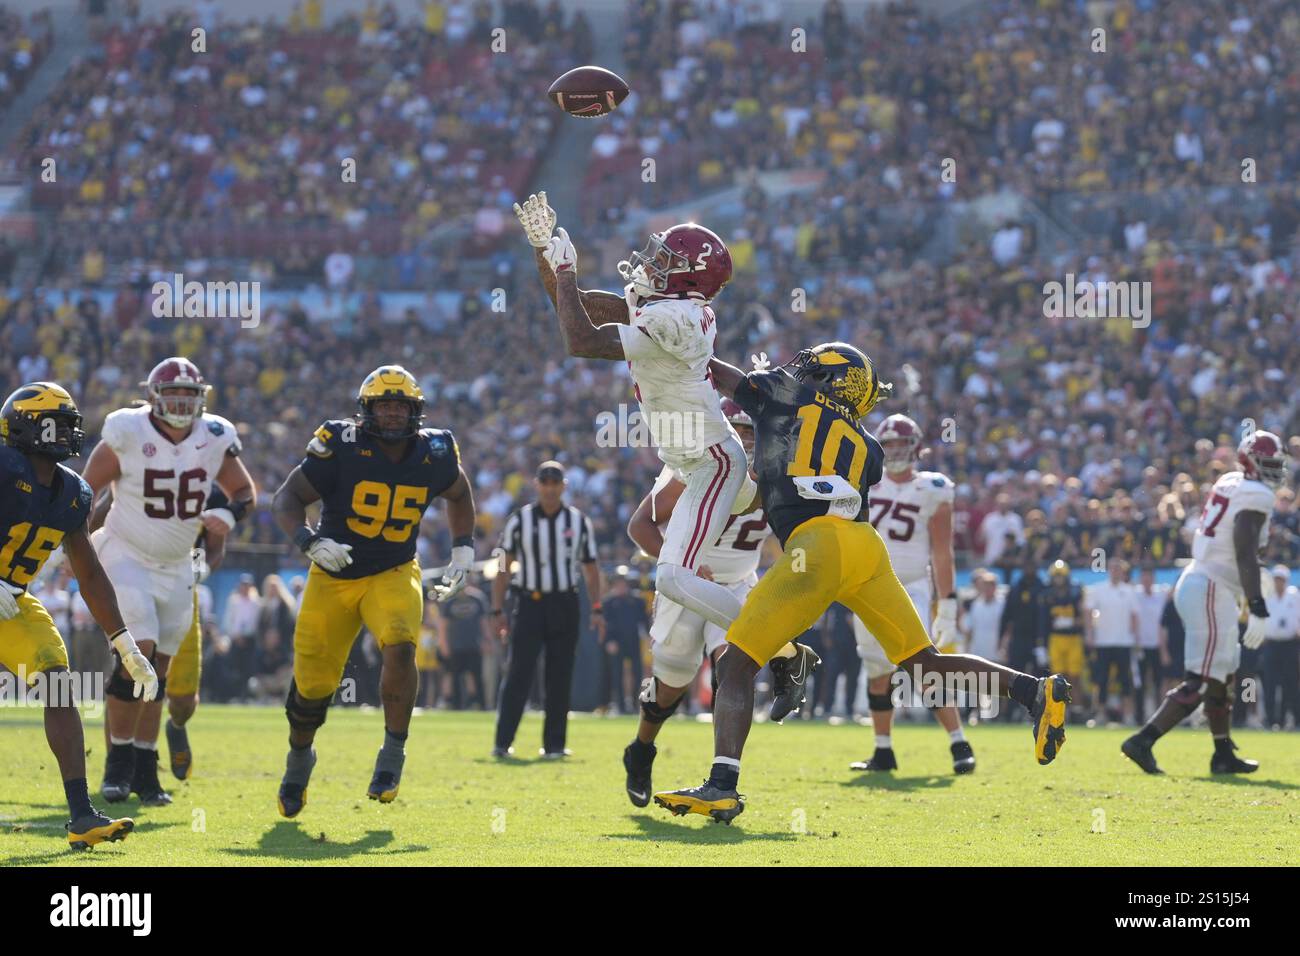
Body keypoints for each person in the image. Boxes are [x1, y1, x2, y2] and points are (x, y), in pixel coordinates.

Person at [653, 344, 1071, 822]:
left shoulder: (786, 395)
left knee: (737, 663)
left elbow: (722, 375)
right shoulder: (869, 445)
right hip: (866, 547)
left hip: (815, 546)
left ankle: (722, 785)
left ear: (833, 380)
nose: (801, 372)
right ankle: (1032, 690)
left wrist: (674, 345)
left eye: (813, 370)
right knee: (925, 663)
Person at [515, 194, 768, 646]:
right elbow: (579, 306)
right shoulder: (667, 304)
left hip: (710, 461)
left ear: (690, 279)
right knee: (750, 506)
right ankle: (787, 637)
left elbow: (581, 340)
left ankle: (779, 641)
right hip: (691, 457)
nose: (652, 263)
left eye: (666, 259)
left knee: (673, 579)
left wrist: (569, 271)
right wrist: (542, 248)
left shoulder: (679, 318)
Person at [271, 365, 476, 815]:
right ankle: (300, 758)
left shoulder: (435, 451)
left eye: (399, 405)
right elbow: (287, 498)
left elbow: (459, 494)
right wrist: (310, 541)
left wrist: (463, 549)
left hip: (394, 568)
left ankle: (391, 755)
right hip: (334, 574)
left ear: (414, 411)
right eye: (383, 405)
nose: (391, 414)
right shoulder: (340, 444)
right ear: (366, 410)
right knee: (312, 688)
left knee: (401, 645)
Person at [80, 357, 255, 805]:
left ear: (201, 399)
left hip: (177, 565)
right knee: (138, 654)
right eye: (172, 393)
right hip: (125, 552)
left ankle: (144, 767)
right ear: (153, 396)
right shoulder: (127, 429)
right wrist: (75, 548)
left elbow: (244, 492)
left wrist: (228, 514)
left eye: (189, 395)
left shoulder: (216, 435)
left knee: (158, 673)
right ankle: (116, 764)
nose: (180, 402)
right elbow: (86, 491)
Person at [0, 382, 158, 848]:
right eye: (57, 421)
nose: (68, 430)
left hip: (13, 600)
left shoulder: (73, 492)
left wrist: (124, 643)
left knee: (56, 682)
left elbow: (88, 572)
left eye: (69, 421)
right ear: (27, 426)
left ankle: (81, 815)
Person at [621, 399, 773, 805]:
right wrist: (685, 563)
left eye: (749, 430)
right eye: (736, 429)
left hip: (738, 584)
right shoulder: (697, 466)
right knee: (670, 686)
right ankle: (641, 749)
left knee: (734, 666)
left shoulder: (778, 475)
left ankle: (722, 777)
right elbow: (640, 525)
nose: (743, 438)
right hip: (686, 586)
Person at [1123, 430, 1288, 775]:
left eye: (1276, 463)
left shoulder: (1231, 481)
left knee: (1222, 676)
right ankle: (1143, 740)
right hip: (1211, 587)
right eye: (1266, 463)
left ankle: (1222, 752)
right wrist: (1256, 605)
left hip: (1208, 583)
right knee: (1199, 678)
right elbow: (1244, 552)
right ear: (1250, 463)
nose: (1273, 470)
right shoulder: (1256, 494)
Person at [849, 413, 974, 776]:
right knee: (876, 669)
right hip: (867, 585)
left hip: (912, 584)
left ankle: (959, 743)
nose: (896, 451)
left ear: (916, 447)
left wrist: (947, 603)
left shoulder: (933, 487)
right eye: (888, 444)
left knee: (923, 666)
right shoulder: (864, 483)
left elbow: (941, 550)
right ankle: (883, 750)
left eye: (902, 444)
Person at [491, 460, 602, 758]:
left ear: (564, 485)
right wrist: (497, 609)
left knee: (560, 675)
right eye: (545, 482)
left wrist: (597, 607)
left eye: (556, 483)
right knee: (518, 672)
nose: (550, 489)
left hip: (564, 602)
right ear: (537, 485)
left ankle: (554, 745)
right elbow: (502, 564)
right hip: (529, 602)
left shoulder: (578, 522)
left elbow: (591, 567)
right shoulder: (519, 521)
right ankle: (502, 743)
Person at [1084, 559, 1138, 723]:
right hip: (1103, 642)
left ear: (1123, 572)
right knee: (1101, 679)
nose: (1115, 572)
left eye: (1118, 569)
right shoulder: (1099, 589)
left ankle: (1128, 714)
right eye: (1113, 568)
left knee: (1125, 680)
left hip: (1123, 642)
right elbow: (1088, 611)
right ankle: (1100, 714)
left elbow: (1134, 616)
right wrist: (1090, 634)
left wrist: (1135, 638)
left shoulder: (1129, 591)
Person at [597, 573, 647, 716]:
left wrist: (649, 636)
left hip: (634, 641)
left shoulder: (637, 601)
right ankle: (620, 705)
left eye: (623, 583)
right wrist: (609, 641)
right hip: (616, 642)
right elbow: (605, 625)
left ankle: (635, 703)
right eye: (618, 584)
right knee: (617, 674)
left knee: (637, 673)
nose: (621, 587)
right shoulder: (608, 602)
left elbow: (644, 621)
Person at [438, 576, 490, 709]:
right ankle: (456, 704)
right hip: (455, 646)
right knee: (455, 677)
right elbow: (443, 625)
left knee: (476, 676)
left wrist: (487, 640)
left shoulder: (478, 599)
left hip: (473, 644)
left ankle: (479, 703)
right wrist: (444, 645)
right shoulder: (449, 601)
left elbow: (483, 622)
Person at [1261, 564, 1299, 729]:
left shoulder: (1294, 596)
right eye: (1276, 580)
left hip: (1290, 644)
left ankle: (1289, 720)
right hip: (1271, 644)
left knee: (1289, 684)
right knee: (1269, 684)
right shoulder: (1267, 596)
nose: (1278, 583)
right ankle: (1271, 721)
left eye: (1281, 580)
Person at [1132, 564, 1168, 724]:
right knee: (1139, 684)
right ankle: (1139, 717)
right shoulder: (1134, 595)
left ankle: (1159, 717)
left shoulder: (1161, 594)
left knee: (1159, 682)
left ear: (1153, 579)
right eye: (1144, 577)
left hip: (1157, 645)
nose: (1146, 580)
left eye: (1149, 577)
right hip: (1140, 646)